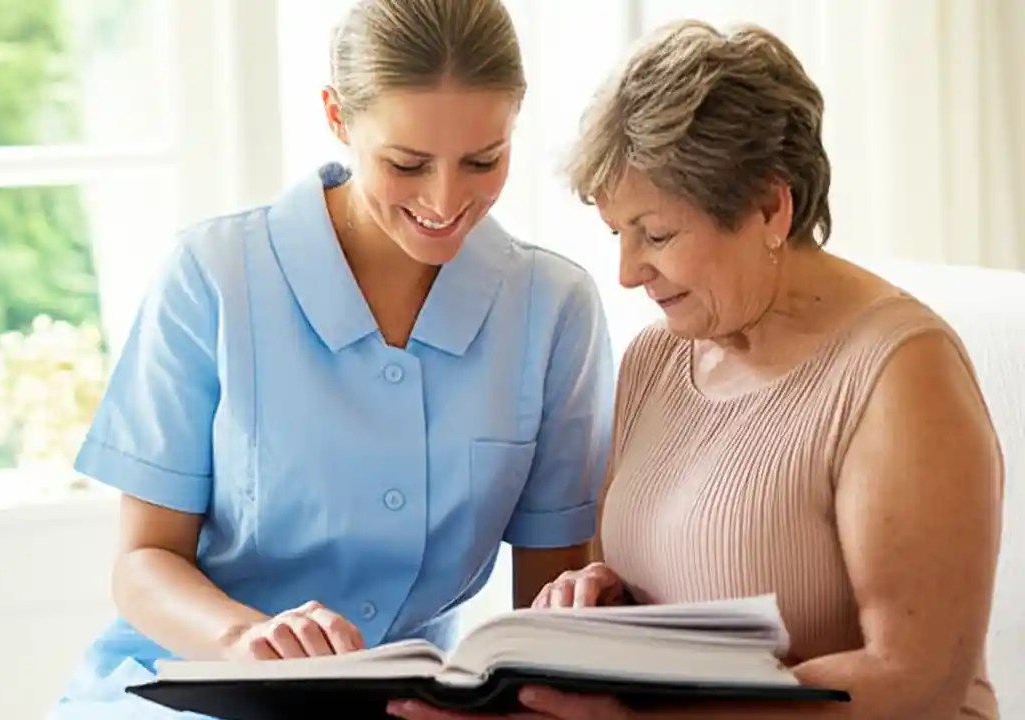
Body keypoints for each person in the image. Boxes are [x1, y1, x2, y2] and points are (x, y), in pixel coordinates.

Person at [389, 18, 1004, 720]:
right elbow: (672, 590)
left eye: (657, 235)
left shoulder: (901, 373)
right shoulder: (657, 357)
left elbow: (917, 680)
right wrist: (596, 598)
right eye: (618, 234)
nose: (625, 273)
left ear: (771, 206)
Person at [50, 0, 616, 717]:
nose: (446, 201)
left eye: (483, 160)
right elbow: (142, 562)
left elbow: (544, 607)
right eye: (407, 163)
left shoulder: (554, 307)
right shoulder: (214, 276)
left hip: (408, 704)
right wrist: (248, 639)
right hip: (191, 687)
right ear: (337, 117)